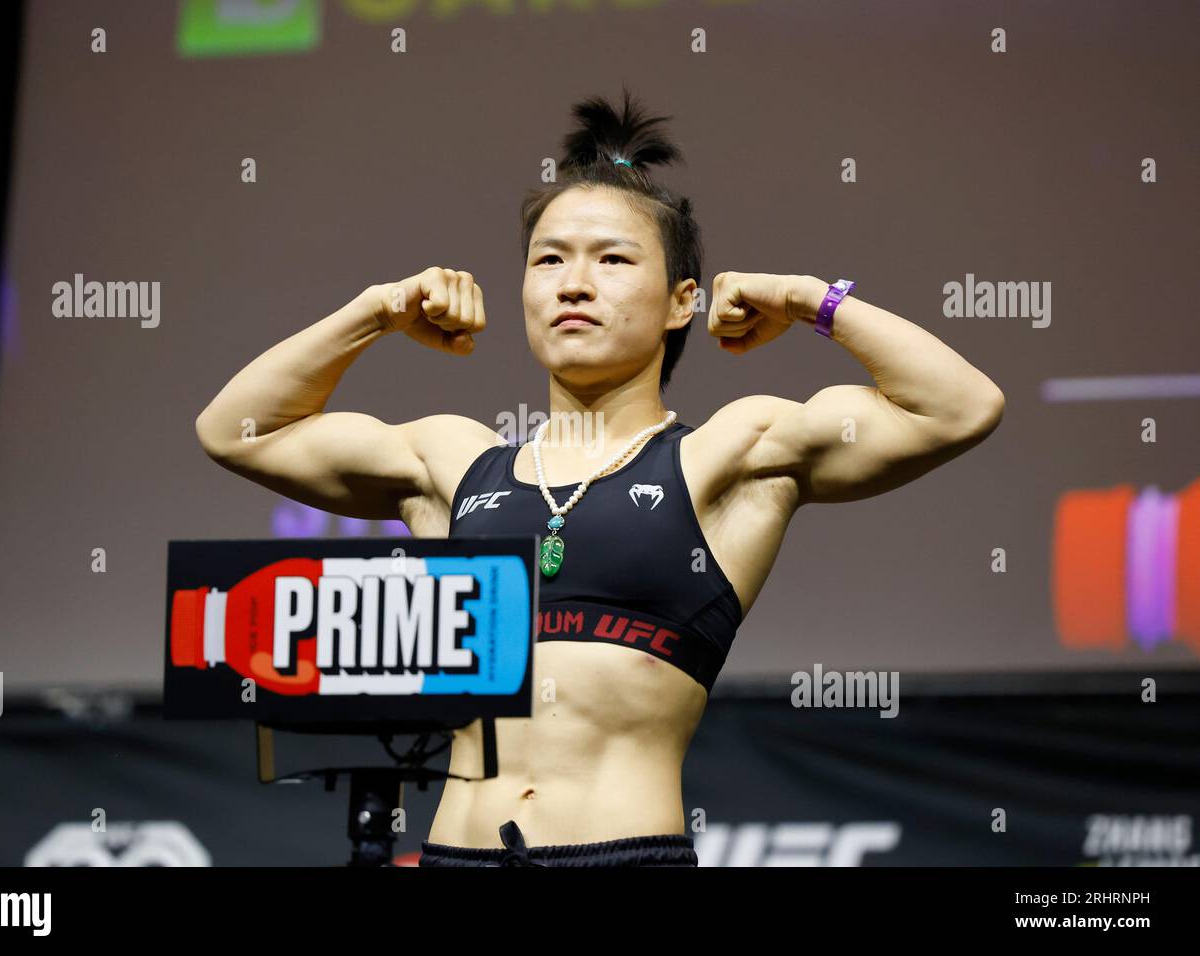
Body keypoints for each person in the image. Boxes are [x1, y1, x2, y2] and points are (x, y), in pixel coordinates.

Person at [195, 89, 1005, 867]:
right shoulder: (454, 463)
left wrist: (806, 300)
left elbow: (959, 407)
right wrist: (375, 312)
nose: (573, 283)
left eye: (613, 259)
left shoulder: (729, 454)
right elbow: (235, 431)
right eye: (549, 260)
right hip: (457, 857)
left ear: (682, 300)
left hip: (620, 859)